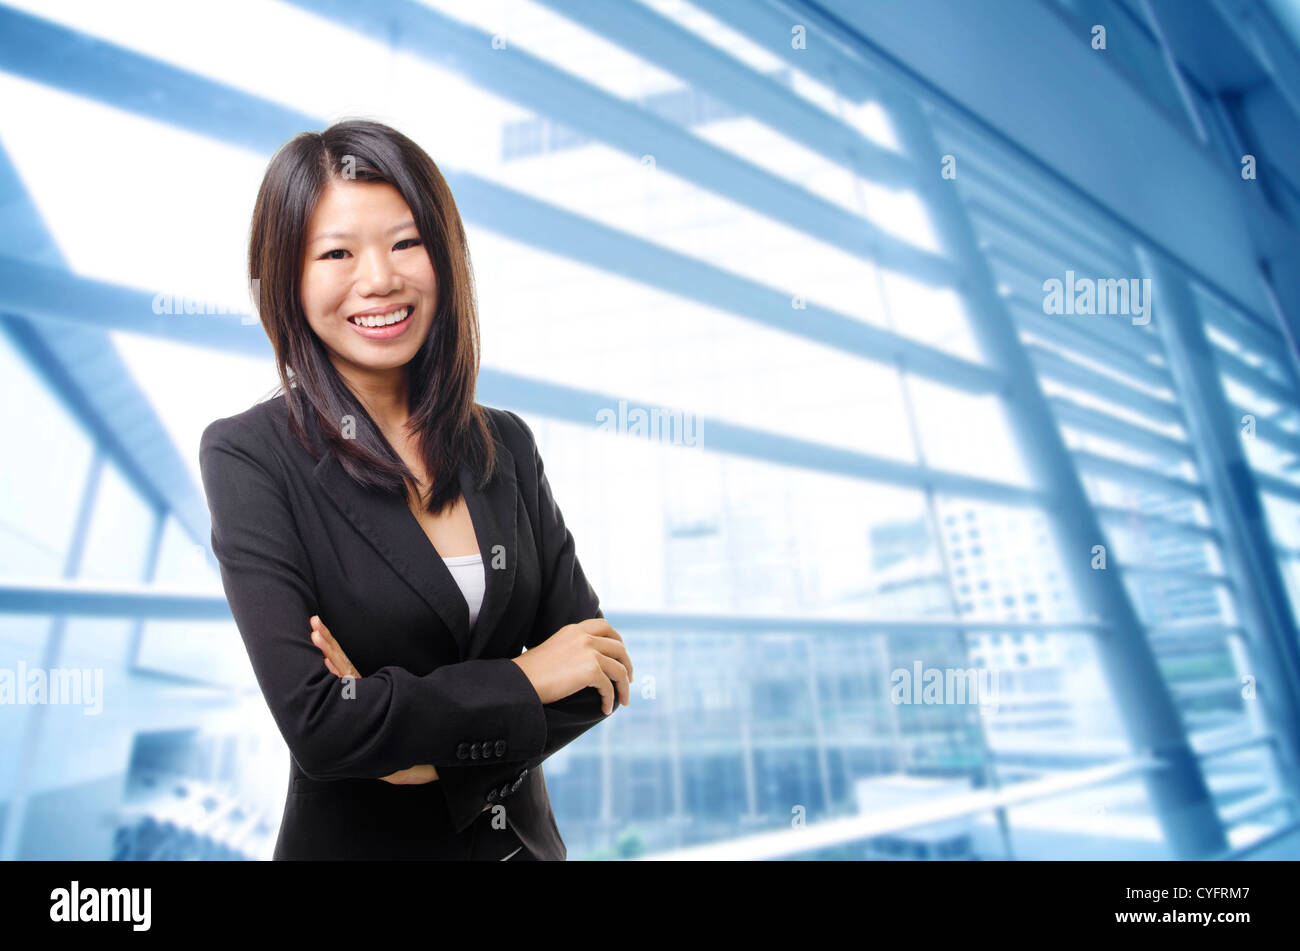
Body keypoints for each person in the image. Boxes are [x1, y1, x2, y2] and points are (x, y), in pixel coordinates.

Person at [198, 118, 632, 860]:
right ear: (289, 278)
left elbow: (597, 675)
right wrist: (528, 675)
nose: (379, 279)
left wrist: (415, 751)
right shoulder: (251, 454)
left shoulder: (506, 444)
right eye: (337, 252)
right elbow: (322, 726)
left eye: (406, 243)